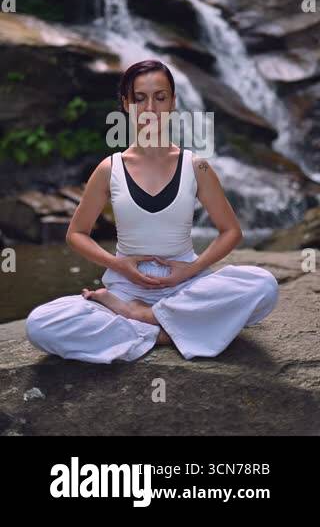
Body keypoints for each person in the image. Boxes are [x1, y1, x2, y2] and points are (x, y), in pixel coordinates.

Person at [25, 59, 279, 364]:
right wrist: (119, 265)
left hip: (187, 286)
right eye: (139, 99)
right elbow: (77, 234)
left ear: (173, 102)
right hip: (125, 290)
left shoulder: (195, 166)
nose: (150, 109)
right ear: (126, 104)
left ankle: (141, 320)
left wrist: (191, 269)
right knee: (40, 323)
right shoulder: (110, 168)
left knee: (263, 285)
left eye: (160, 98)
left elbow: (231, 231)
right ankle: (175, 329)